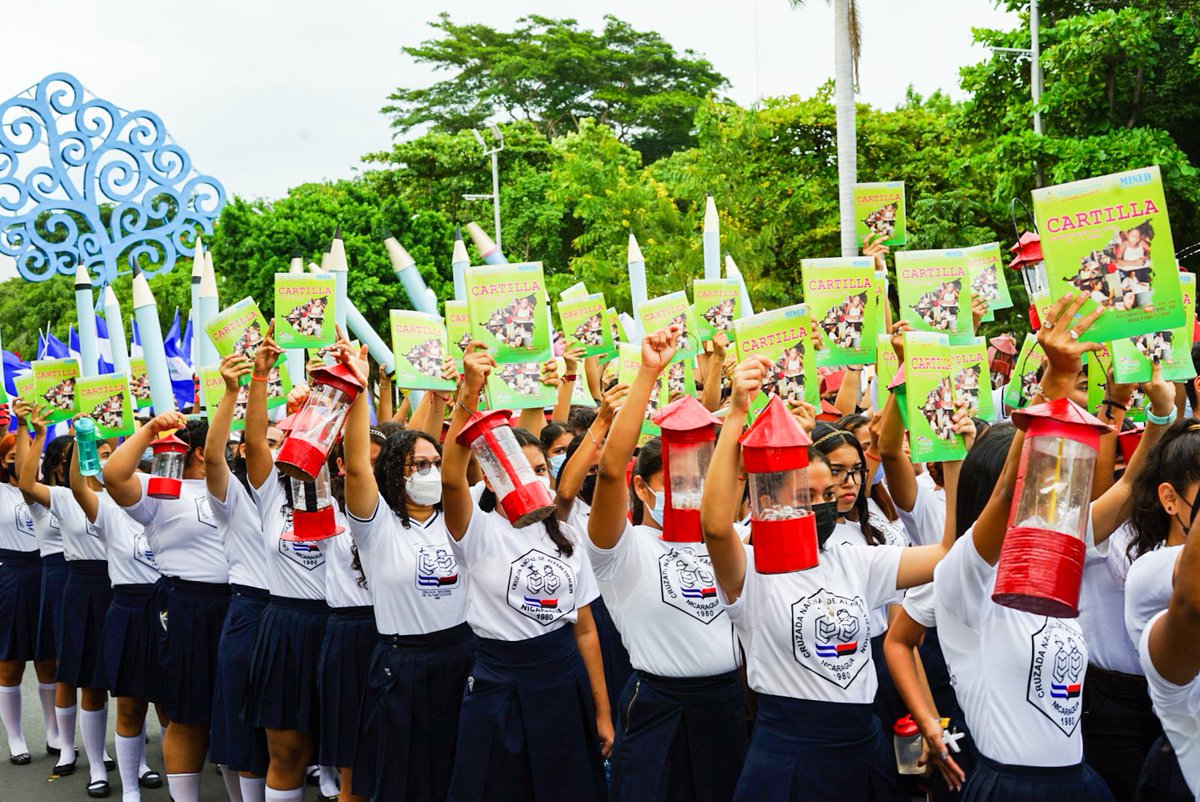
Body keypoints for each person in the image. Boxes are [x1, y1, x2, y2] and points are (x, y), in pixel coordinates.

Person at [700, 354, 970, 801]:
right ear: (773, 495)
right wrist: (736, 415)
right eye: (806, 495)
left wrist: (954, 459)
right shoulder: (753, 568)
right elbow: (713, 526)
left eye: (829, 494)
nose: (825, 504)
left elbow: (946, 553)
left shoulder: (853, 561)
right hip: (792, 753)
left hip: (863, 745)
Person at [930, 293, 1127, 801]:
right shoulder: (960, 579)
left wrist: (1157, 407)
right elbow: (1004, 496)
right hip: (1011, 790)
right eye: (1038, 478)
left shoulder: (1049, 565)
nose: (1048, 491)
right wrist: (1056, 385)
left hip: (1080, 784)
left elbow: (1132, 488)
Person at [441, 343, 610, 802]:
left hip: (562, 678)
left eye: (541, 468)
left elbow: (586, 632)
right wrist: (469, 393)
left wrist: (602, 712)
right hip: (500, 681)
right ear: (495, 474)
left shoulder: (566, 536)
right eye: (522, 468)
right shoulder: (477, 530)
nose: (536, 477)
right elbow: (452, 478)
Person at [587, 325, 745, 802]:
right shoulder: (625, 550)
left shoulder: (732, 540)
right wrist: (648, 374)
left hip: (731, 705)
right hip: (659, 707)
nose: (692, 487)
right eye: (677, 476)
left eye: (702, 473)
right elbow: (612, 468)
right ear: (643, 488)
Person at [340, 346, 475, 802]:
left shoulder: (458, 516)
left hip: (464, 658)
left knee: (460, 775)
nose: (430, 471)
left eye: (435, 462)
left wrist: (468, 390)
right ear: (394, 472)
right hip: (403, 668)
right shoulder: (377, 525)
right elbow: (357, 464)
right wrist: (359, 392)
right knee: (404, 780)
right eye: (418, 464)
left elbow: (470, 450)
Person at [104, 413, 229, 802]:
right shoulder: (161, 488)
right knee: (187, 717)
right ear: (199, 451)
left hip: (238, 605)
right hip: (186, 605)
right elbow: (114, 475)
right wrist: (149, 431)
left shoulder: (235, 485)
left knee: (232, 714)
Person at [240, 323, 330, 802]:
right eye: (288, 436)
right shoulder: (272, 491)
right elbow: (255, 443)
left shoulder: (347, 489)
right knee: (286, 754)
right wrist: (259, 377)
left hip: (341, 626)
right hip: (286, 626)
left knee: (346, 754)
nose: (298, 443)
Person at [17, 401, 113, 795]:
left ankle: (122, 752)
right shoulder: (56, 498)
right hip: (64, 580)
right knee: (68, 669)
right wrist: (36, 432)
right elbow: (26, 481)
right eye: (96, 454)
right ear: (63, 463)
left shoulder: (123, 496)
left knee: (109, 674)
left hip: (112, 583)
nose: (101, 461)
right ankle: (69, 748)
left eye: (107, 455)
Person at [77, 424, 165, 801]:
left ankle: (179, 783)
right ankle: (130, 789)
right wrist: (84, 441)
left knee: (172, 709)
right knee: (129, 706)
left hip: (168, 609)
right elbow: (81, 488)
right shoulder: (109, 510)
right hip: (128, 609)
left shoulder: (167, 505)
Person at [204, 353, 276, 802]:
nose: (273, 446)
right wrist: (235, 391)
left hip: (295, 614)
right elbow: (213, 457)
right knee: (244, 729)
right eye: (264, 439)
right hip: (250, 612)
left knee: (286, 735)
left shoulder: (300, 491)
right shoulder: (232, 495)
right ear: (245, 448)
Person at [0, 429, 60, 766]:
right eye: (12, 458)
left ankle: (54, 731)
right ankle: (15, 736)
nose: (19, 463)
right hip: (11, 573)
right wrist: (21, 426)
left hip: (46, 572)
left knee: (48, 659)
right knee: (9, 663)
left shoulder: (48, 492)